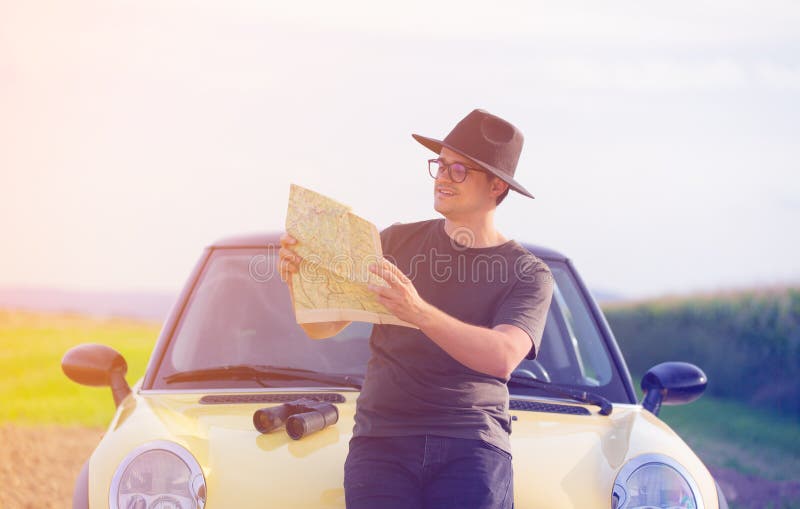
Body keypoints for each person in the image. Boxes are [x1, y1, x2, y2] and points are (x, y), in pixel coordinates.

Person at [279, 109, 554, 509]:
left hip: (472, 445)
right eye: (440, 165)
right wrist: (299, 279)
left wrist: (418, 312)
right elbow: (323, 328)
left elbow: (501, 358)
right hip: (382, 443)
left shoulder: (527, 273)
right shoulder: (394, 243)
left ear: (496, 186)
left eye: (459, 170)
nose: (443, 177)